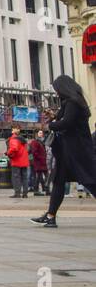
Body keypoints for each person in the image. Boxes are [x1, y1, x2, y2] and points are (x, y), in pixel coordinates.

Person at [32, 76, 96, 228]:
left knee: (90, 181)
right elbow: (65, 119)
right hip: (68, 151)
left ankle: (50, 216)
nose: (56, 93)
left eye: (57, 90)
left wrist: (51, 126)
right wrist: (54, 117)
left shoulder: (73, 103)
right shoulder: (71, 103)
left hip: (76, 151)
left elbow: (67, 122)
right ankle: (50, 216)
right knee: (59, 182)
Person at [7, 127, 30, 199]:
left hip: (17, 161)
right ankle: (25, 193)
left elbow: (14, 148)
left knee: (16, 177)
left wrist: (8, 153)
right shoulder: (23, 139)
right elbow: (28, 149)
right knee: (24, 178)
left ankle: (17, 193)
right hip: (24, 161)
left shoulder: (13, 139)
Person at [29, 130, 49, 197]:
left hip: (43, 162)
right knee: (39, 177)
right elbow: (34, 152)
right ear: (36, 134)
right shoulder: (35, 142)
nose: (41, 134)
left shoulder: (42, 142)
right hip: (39, 162)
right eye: (40, 133)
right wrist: (41, 158)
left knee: (45, 176)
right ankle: (37, 190)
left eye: (42, 133)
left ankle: (46, 190)